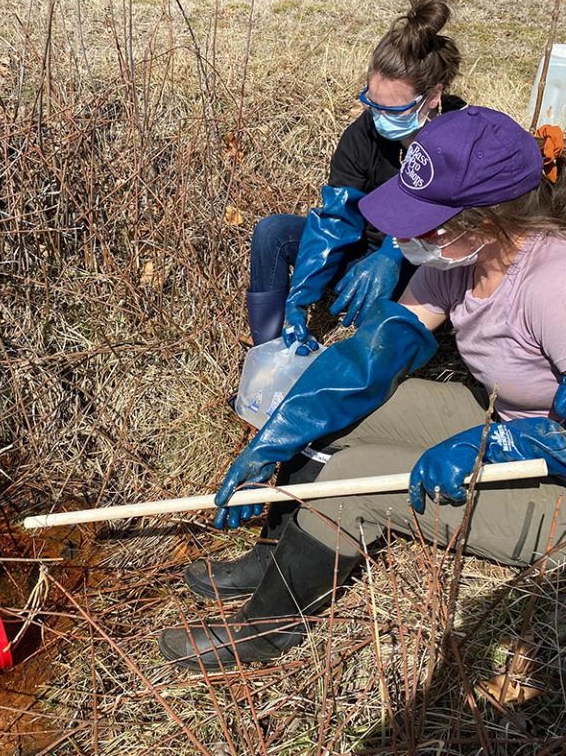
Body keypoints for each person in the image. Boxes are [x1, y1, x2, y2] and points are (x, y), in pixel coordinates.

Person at [159, 106, 566, 670]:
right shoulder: (457, 259)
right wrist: (277, 434)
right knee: (340, 413)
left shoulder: (553, 283)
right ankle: (280, 552)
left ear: (484, 217)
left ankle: (270, 626)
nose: (407, 234)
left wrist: (505, 447)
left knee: (356, 480)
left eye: (426, 218)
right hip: (510, 422)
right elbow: (373, 357)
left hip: (556, 493)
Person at [248, 0, 463, 352]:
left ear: (432, 96)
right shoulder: (362, 133)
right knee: (273, 233)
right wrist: (300, 298)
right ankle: (270, 349)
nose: (379, 119)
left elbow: (463, 229)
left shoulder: (461, 133)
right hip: (364, 250)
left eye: (392, 111)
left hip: (428, 263)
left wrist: (395, 251)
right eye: (371, 102)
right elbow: (337, 217)